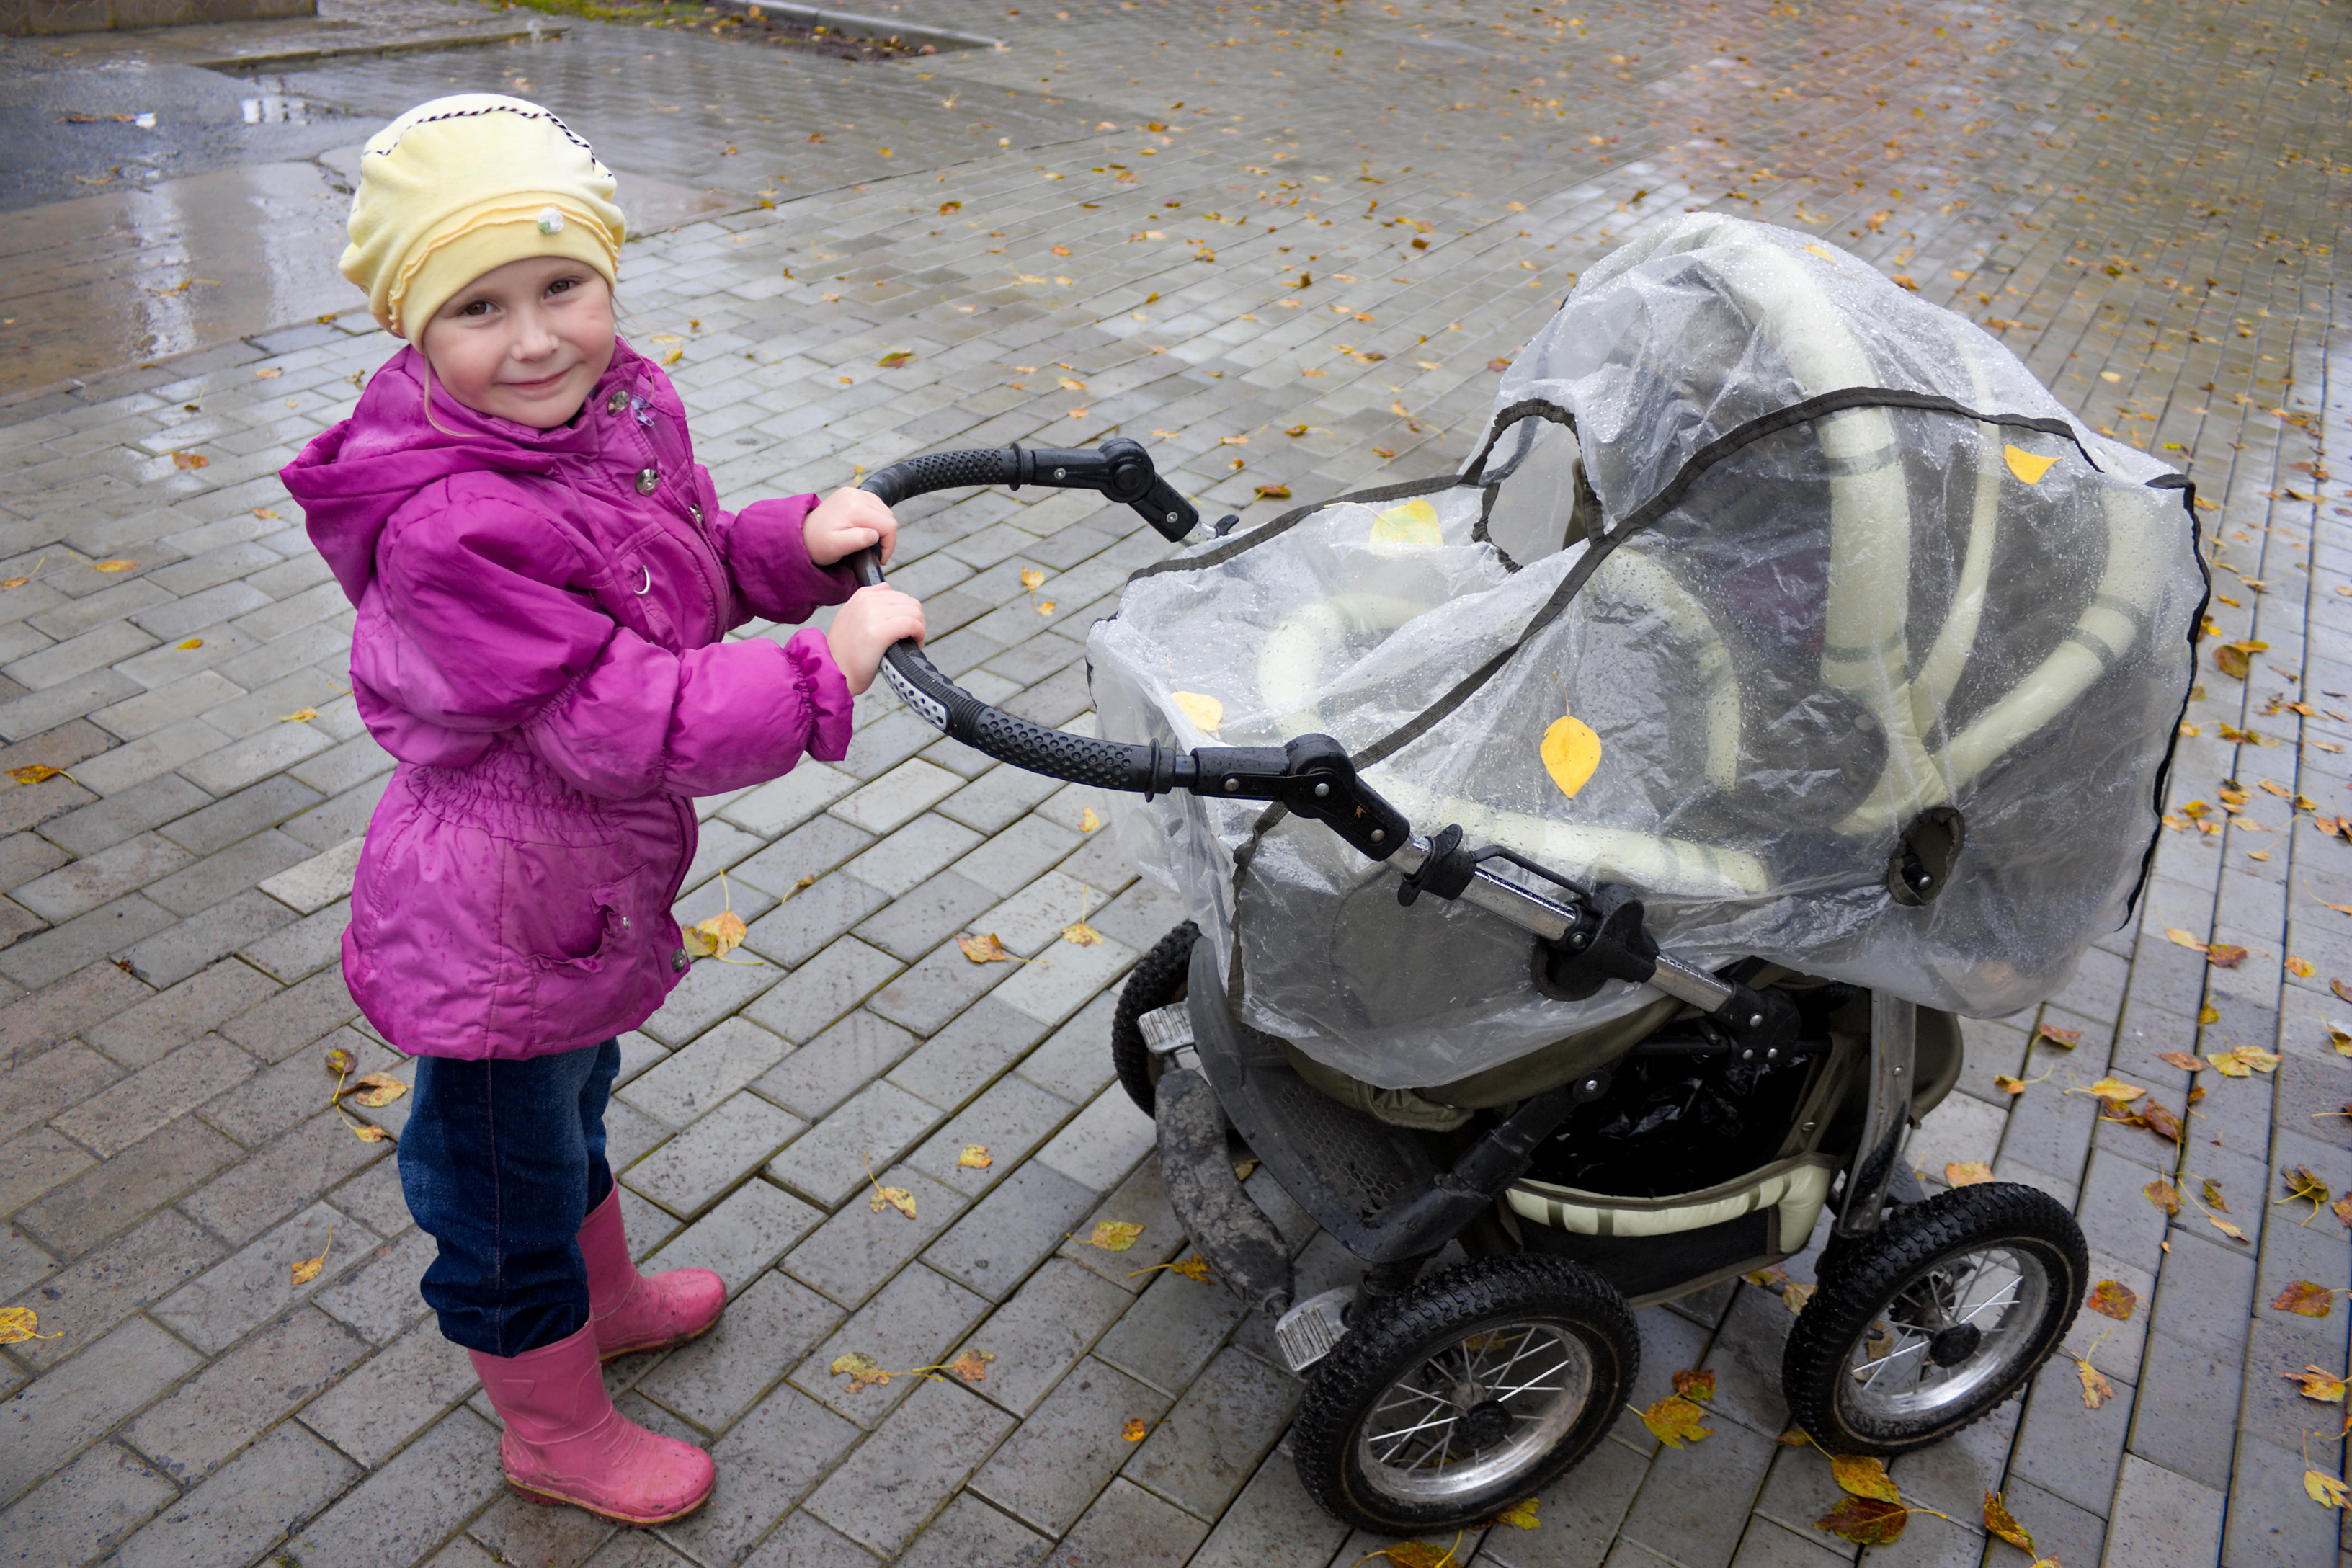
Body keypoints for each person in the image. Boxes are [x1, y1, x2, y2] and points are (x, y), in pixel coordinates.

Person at [279, 94, 925, 1526]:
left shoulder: (613, 406)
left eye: (562, 284)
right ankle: (551, 1429)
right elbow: (618, 718)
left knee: (573, 1103)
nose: (534, 339)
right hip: (492, 921)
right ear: (411, 331)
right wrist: (826, 664)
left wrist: (789, 551)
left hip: (569, 900)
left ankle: (610, 1295)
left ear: (610, 279)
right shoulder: (453, 520)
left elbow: (675, 568)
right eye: (477, 307)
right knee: (500, 1187)